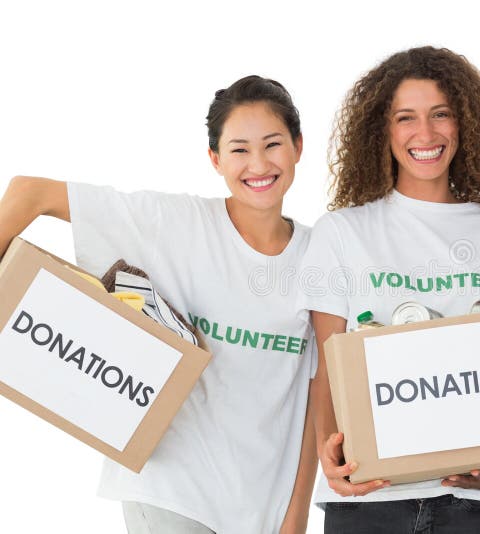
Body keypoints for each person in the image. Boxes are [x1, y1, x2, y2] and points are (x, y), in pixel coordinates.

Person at [0, 75, 318, 533]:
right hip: (170, 492)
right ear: (215, 159)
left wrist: (296, 516)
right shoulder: (175, 224)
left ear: (298, 147)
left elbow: (313, 398)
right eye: (239, 149)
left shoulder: (320, 256)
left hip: (260, 512)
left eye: (272, 144)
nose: (259, 164)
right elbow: (30, 191)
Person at [297, 46, 480, 533]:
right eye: (406, 118)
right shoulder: (342, 232)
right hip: (370, 497)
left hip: (472, 497)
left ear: (464, 123)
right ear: (382, 129)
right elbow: (327, 367)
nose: (425, 134)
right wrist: (329, 452)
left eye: (440, 114)